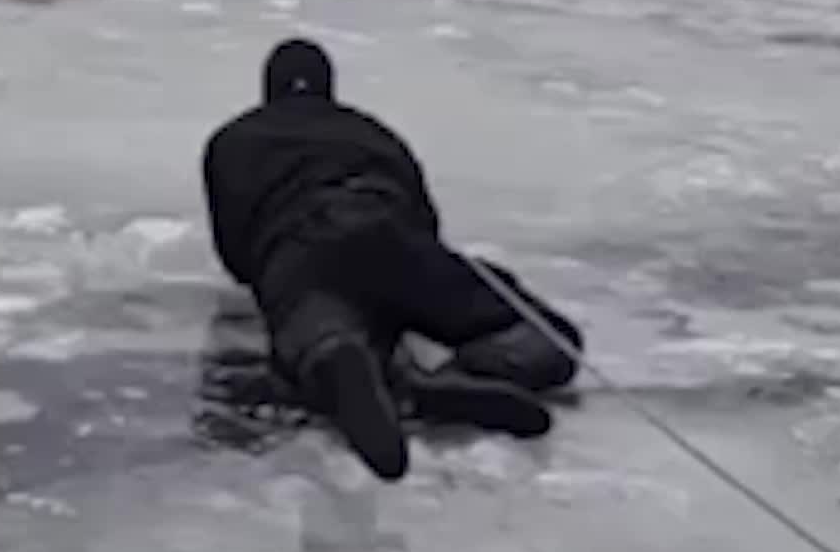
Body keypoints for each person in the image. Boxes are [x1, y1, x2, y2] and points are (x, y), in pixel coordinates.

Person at [199, 37, 585, 482]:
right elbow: (426, 221)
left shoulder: (232, 141)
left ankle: (344, 359)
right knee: (546, 338)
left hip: (303, 245)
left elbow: (239, 260)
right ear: (330, 89)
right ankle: (457, 376)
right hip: (393, 232)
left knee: (316, 339)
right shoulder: (374, 133)